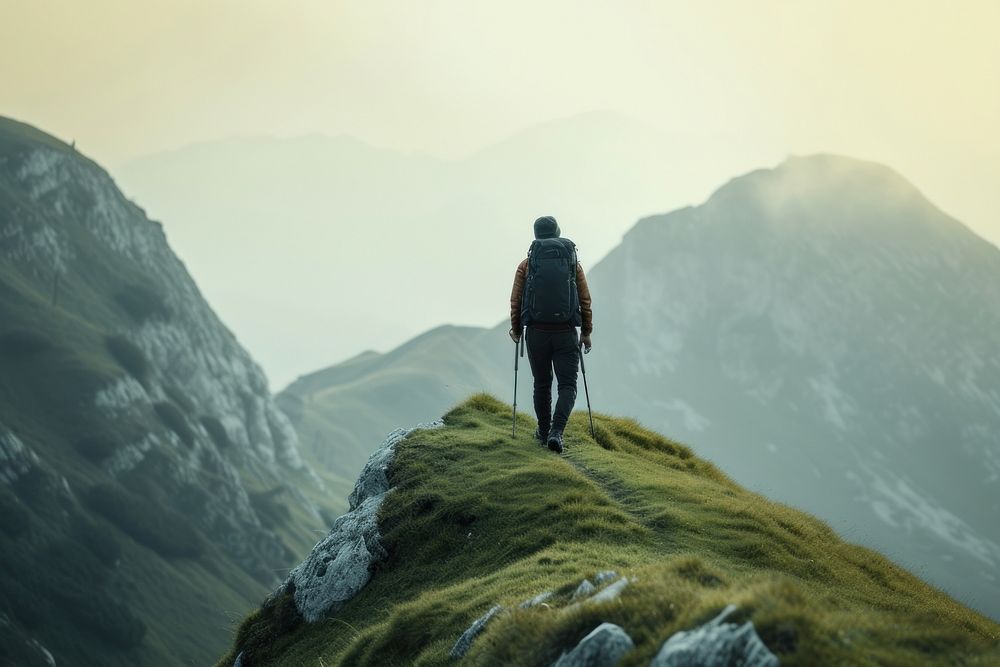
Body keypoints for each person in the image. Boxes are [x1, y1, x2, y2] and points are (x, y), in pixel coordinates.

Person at [509, 216, 593, 453]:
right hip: (566, 332)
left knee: (542, 383)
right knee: (568, 385)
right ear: (557, 233)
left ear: (536, 236)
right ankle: (557, 432)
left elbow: (516, 301)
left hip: (536, 332)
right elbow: (585, 300)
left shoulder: (527, 265)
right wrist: (586, 332)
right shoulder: (572, 263)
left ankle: (543, 431)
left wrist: (517, 331)